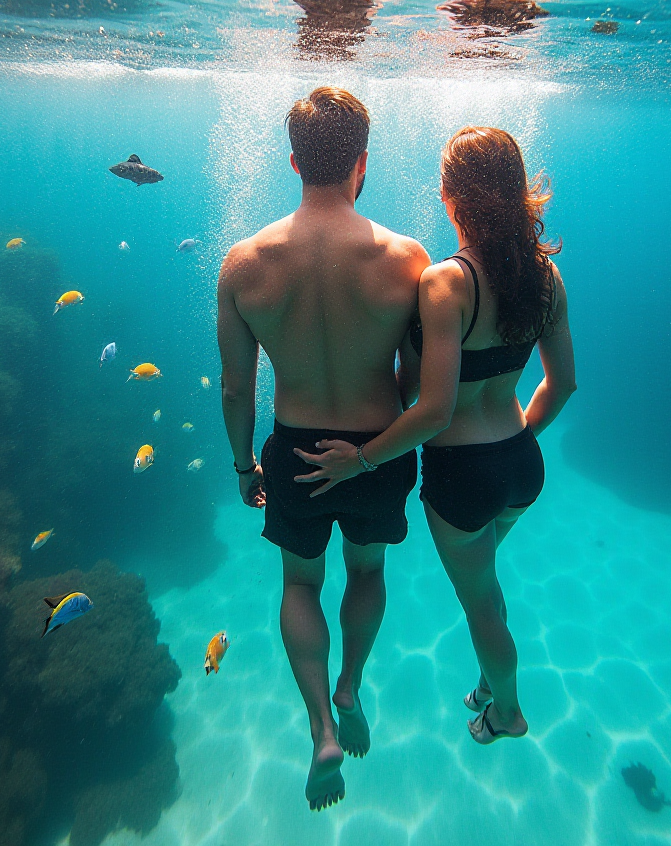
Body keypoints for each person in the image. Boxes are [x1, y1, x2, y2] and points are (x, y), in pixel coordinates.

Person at [292, 125, 575, 745]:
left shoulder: (446, 283)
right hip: (522, 466)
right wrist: (518, 437)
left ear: (451, 195)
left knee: (483, 605)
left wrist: (360, 460)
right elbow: (563, 384)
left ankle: (507, 713)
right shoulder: (545, 277)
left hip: (464, 477)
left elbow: (435, 411)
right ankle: (488, 680)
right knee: (487, 588)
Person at [217, 87, 430, 810]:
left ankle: (319, 729)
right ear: (361, 162)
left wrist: (246, 463)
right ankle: (350, 687)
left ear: (292, 161)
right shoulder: (406, 258)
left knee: (300, 584)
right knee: (366, 569)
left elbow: (236, 391)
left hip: (295, 449)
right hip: (380, 445)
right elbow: (415, 377)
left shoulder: (244, 264)